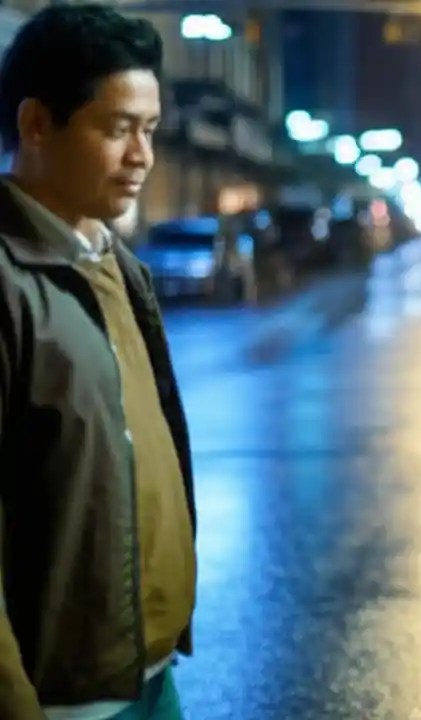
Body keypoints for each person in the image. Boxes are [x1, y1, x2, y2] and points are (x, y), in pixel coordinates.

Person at [0, 5, 194, 719]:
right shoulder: (8, 281)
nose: (142, 155)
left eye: (150, 130)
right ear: (36, 124)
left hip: (151, 674)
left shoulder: (116, 265)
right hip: (62, 699)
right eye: (117, 129)